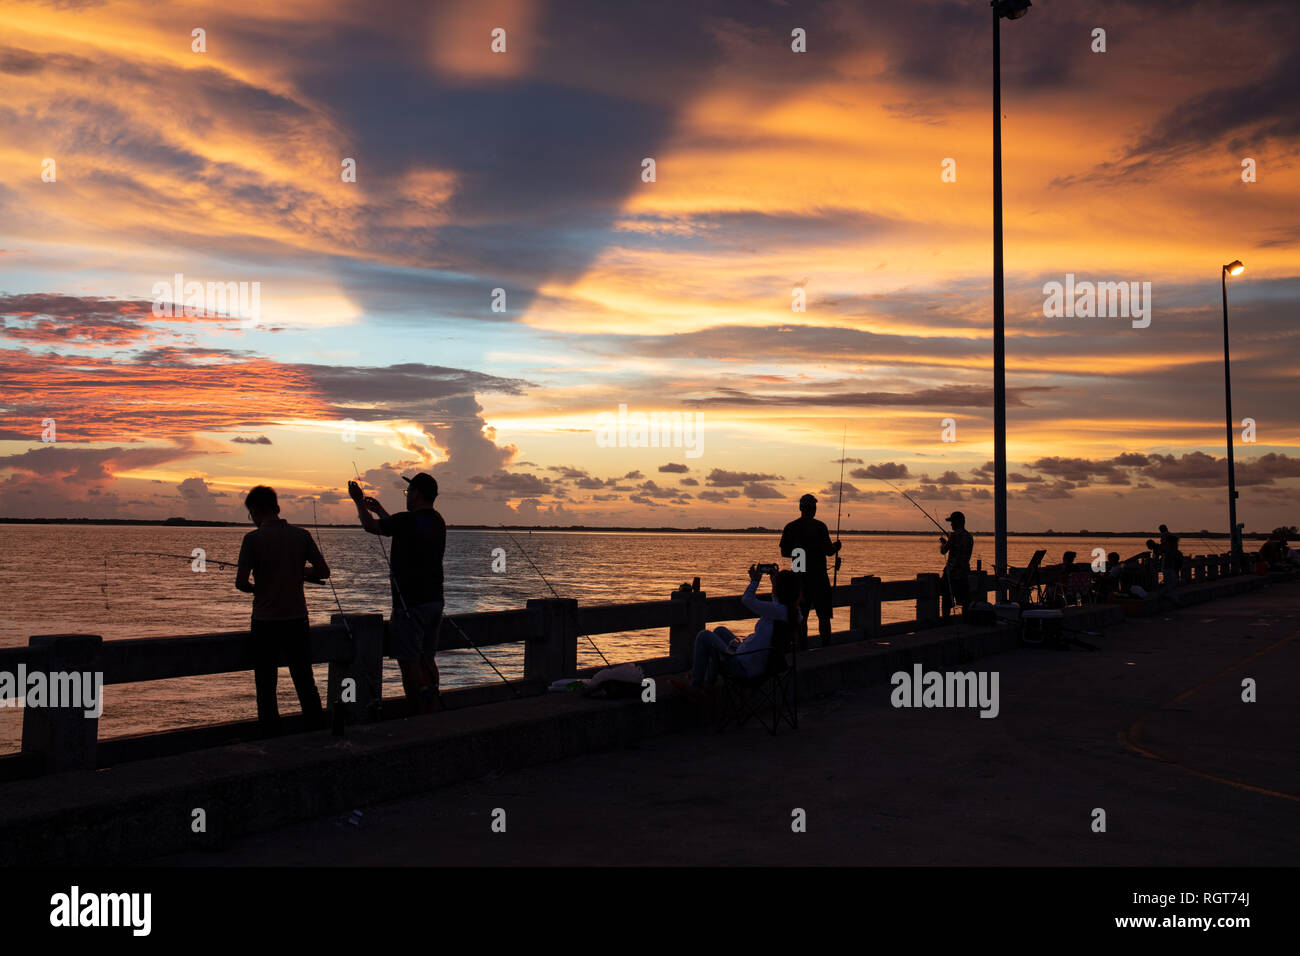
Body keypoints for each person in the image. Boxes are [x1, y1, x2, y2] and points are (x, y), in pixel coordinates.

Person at [235, 485, 328, 737]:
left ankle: (271, 737)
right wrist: (299, 572)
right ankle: (316, 732)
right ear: (276, 508)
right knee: (305, 681)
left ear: (254, 511)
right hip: (297, 619)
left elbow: (241, 583)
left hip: (265, 622)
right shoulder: (301, 535)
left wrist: (262, 587)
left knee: (266, 685)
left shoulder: (252, 540)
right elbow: (323, 572)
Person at [348, 473, 445, 713]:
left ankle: (417, 710)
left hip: (409, 604)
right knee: (427, 657)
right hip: (434, 602)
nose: (407, 496)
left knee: (409, 661)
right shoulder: (436, 521)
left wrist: (358, 501)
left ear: (418, 494)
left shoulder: (407, 521)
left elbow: (370, 527)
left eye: (408, 491)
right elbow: (401, 529)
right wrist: (381, 510)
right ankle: (432, 703)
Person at [673, 565, 802, 698]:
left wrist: (755, 581)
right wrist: (775, 584)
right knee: (720, 630)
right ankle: (708, 684)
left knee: (703, 635)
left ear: (779, 591)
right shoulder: (794, 614)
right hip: (757, 663)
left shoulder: (777, 611)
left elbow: (747, 599)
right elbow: (779, 605)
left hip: (742, 667)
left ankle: (695, 686)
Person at [779, 494, 841, 648]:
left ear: (800, 508)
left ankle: (802, 648)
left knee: (801, 617)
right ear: (814, 509)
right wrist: (836, 547)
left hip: (798, 579)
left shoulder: (790, 527)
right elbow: (828, 551)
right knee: (824, 617)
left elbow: (784, 552)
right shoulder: (820, 527)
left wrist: (799, 551)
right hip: (819, 578)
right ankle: (826, 648)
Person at [939, 511, 973, 618]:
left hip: (951, 573)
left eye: (952, 522)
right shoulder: (969, 537)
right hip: (964, 573)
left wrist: (943, 543)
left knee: (946, 601)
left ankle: (945, 623)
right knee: (965, 601)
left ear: (958, 522)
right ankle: (965, 622)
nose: (951, 524)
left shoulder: (953, 536)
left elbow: (944, 551)